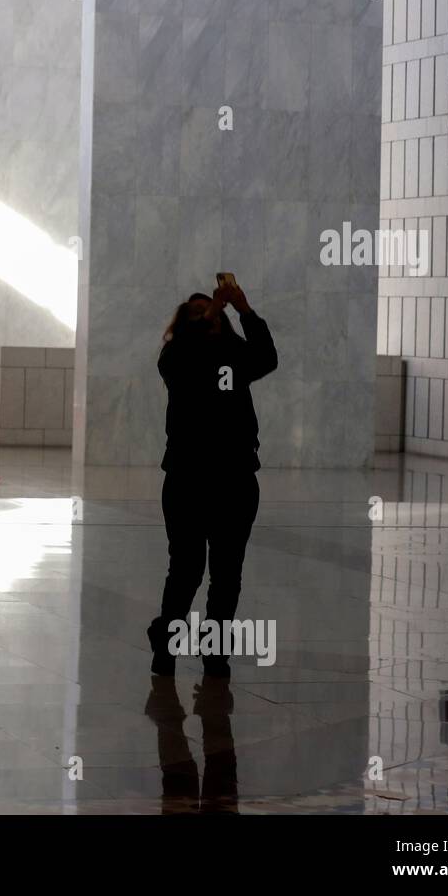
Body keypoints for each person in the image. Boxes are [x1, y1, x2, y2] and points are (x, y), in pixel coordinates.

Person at [147, 279, 277, 679]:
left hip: (235, 479)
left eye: (215, 313)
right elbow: (179, 354)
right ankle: (166, 642)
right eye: (200, 313)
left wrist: (245, 309)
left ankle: (214, 651)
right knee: (186, 570)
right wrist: (208, 314)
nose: (210, 316)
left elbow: (267, 358)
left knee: (226, 572)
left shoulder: (235, 357)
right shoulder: (177, 359)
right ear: (185, 325)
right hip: (187, 480)